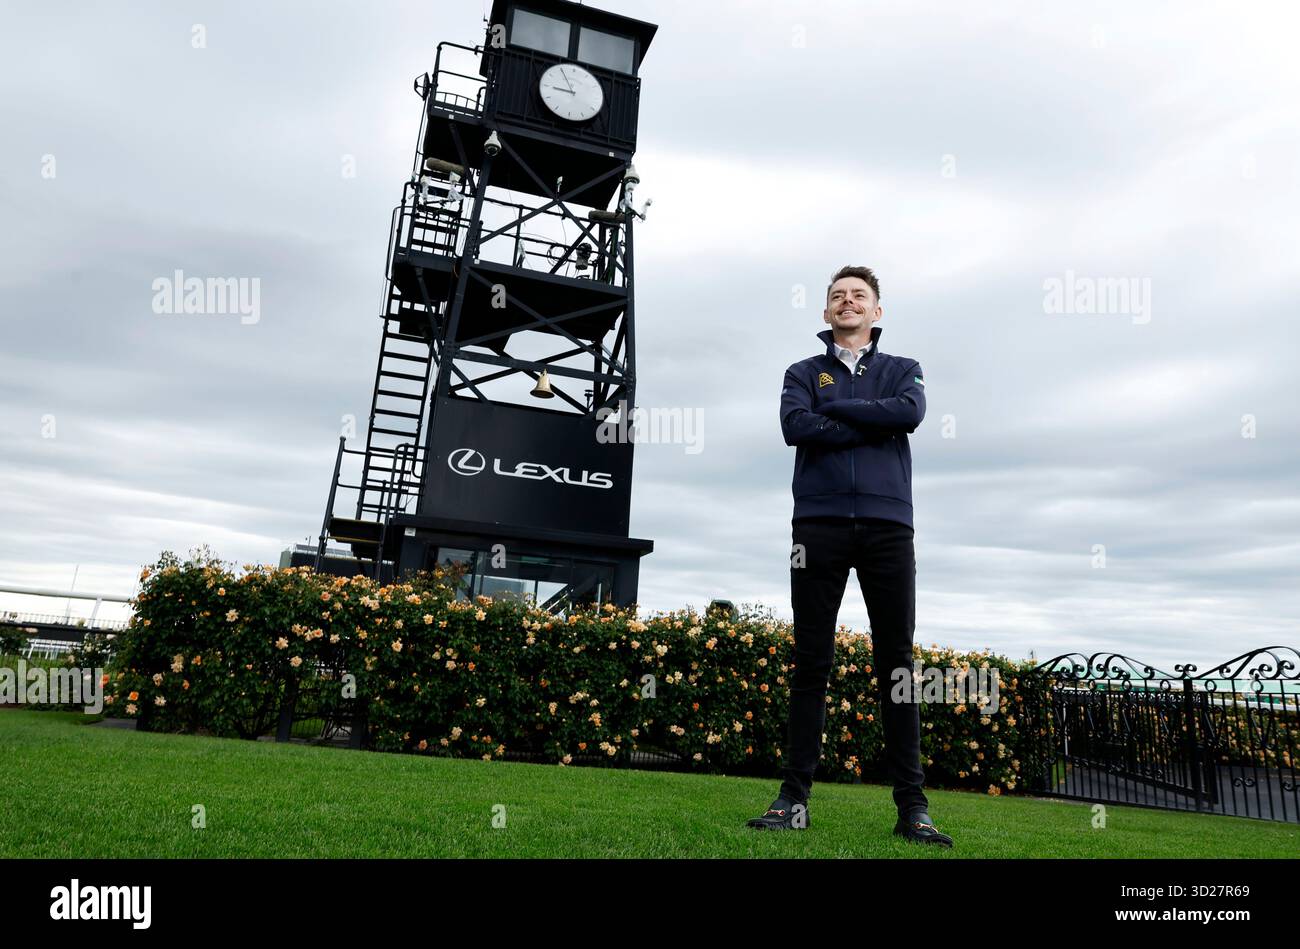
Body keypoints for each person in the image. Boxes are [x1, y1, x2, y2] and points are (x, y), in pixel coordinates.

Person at [745, 265, 952, 847]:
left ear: (877, 311)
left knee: (898, 668)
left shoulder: (903, 370)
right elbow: (794, 425)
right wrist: (869, 415)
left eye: (859, 296)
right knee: (811, 662)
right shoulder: (801, 371)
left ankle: (913, 808)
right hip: (817, 525)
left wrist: (834, 412)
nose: (847, 302)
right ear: (826, 312)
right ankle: (792, 800)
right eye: (837, 296)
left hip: (889, 526)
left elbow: (907, 414)